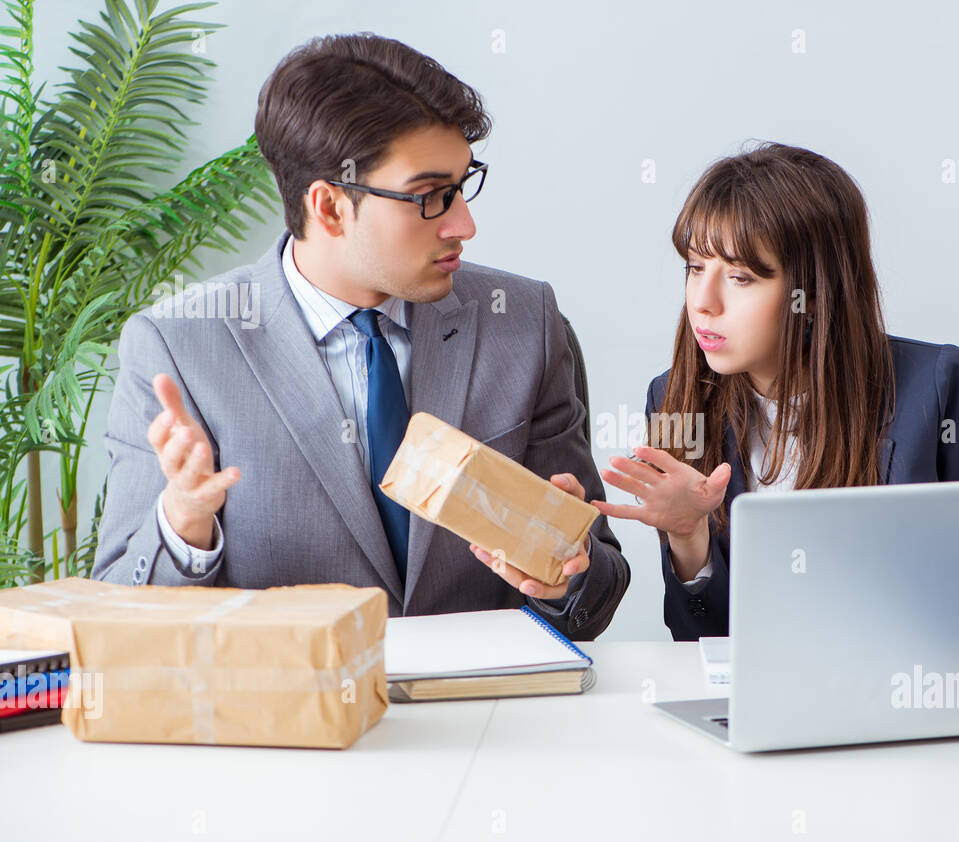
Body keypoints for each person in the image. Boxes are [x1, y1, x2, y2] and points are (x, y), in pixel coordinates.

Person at [91, 34, 629, 641]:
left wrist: (562, 574)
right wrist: (186, 520)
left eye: (463, 183)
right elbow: (120, 618)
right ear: (327, 207)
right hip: (295, 726)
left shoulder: (523, 320)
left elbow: (598, 596)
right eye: (429, 196)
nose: (464, 224)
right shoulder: (178, 348)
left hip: (489, 719)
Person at [593, 143, 959, 642]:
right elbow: (699, 640)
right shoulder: (673, 399)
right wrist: (690, 537)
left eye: (740, 277)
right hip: (758, 705)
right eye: (694, 268)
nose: (703, 304)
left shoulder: (939, 383)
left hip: (914, 683)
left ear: (813, 293)